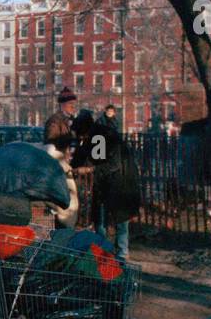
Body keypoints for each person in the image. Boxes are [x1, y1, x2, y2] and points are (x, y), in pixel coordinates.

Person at [71, 107, 140, 257]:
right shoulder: (99, 134)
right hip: (116, 179)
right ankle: (114, 251)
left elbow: (107, 163)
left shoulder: (99, 137)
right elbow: (86, 154)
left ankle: (115, 252)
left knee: (113, 218)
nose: (80, 138)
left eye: (81, 135)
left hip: (118, 180)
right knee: (110, 217)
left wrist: (87, 170)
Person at [43, 86, 77, 154]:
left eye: (74, 103)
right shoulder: (54, 121)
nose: (73, 106)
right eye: (70, 103)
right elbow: (50, 144)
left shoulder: (74, 120)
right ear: (62, 105)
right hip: (59, 159)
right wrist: (70, 139)